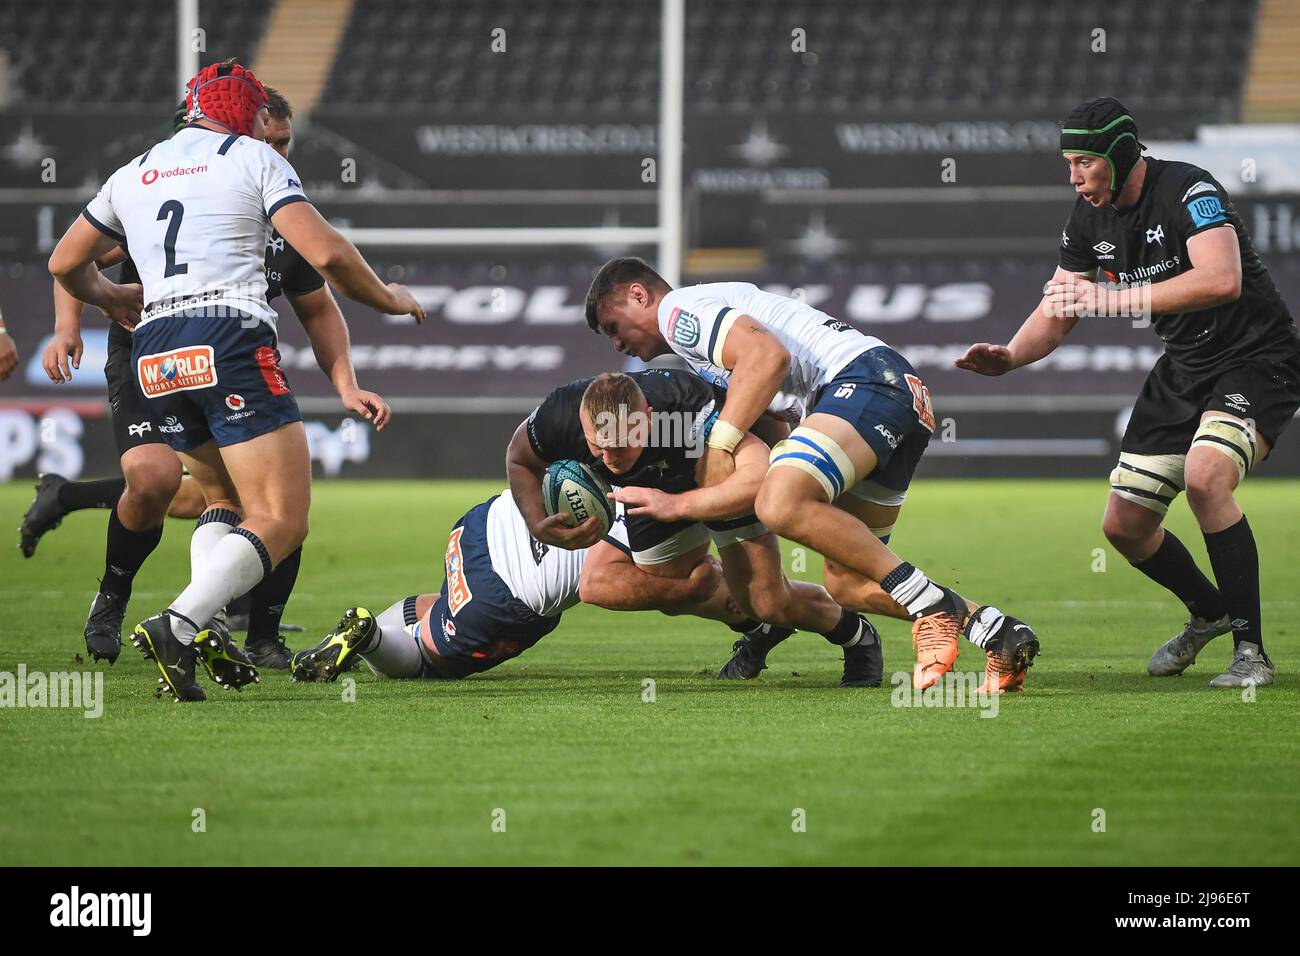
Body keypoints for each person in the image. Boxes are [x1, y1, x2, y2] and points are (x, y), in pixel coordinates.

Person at [47, 60, 424, 701]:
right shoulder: (253, 159)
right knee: (282, 518)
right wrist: (389, 298)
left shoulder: (136, 170)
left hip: (155, 350)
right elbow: (329, 253)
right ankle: (180, 622)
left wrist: (108, 297)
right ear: (247, 116)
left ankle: (204, 627)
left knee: (220, 496)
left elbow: (64, 261)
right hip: (226, 336)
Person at [956, 96, 1300, 688]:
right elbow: (1062, 304)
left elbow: (1222, 279)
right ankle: (1209, 612)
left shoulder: (1189, 189)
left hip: (1257, 360)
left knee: (1206, 477)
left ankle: (1251, 653)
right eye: (1069, 164)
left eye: (1085, 162)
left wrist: (1114, 298)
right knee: (1124, 526)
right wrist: (1011, 356)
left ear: (1118, 155)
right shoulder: (1088, 217)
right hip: (1184, 368)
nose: (1074, 177)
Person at [583, 258, 1040, 694]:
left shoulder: (678, 311)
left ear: (639, 295)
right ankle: (996, 631)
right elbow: (772, 415)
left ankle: (932, 609)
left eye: (613, 327)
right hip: (896, 396)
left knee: (779, 502)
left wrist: (720, 445)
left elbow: (768, 356)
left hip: (863, 383)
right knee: (849, 583)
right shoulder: (705, 335)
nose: (617, 345)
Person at [507, 369, 885, 687]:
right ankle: (760, 627)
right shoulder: (559, 416)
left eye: (620, 446)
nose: (608, 460)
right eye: (597, 447)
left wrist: (676, 505)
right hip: (656, 490)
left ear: (648, 418)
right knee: (672, 584)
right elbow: (519, 459)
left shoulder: (686, 409)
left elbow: (760, 477)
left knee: (769, 601)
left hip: (720, 479)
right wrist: (538, 524)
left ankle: (856, 635)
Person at [289, 491, 692, 682]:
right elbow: (597, 586)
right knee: (431, 662)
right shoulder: (660, 513)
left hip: (483, 522)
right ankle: (371, 638)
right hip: (502, 593)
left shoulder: (606, 431)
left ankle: (342, 644)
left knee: (445, 608)